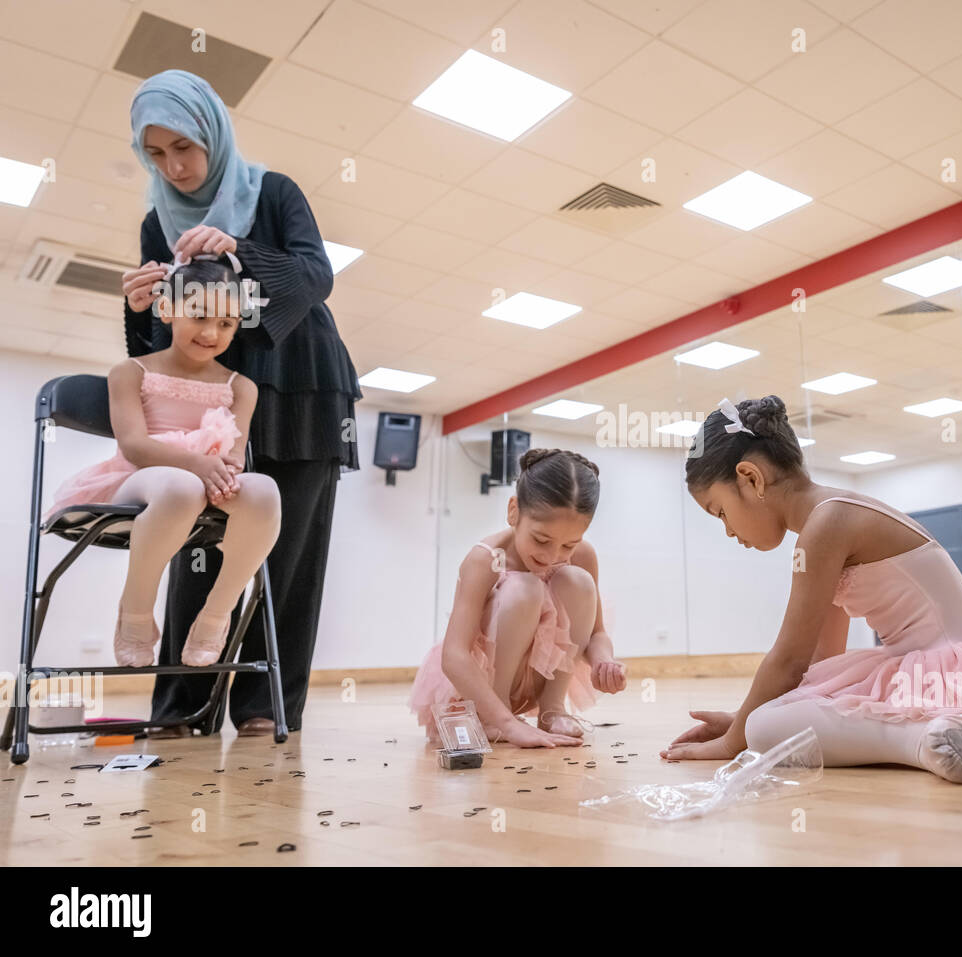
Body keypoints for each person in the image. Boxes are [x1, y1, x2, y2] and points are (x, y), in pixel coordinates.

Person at [119, 69, 362, 736]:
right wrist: (140, 304)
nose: (175, 166)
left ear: (213, 135)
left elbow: (317, 276)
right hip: (215, 399)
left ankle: (265, 709)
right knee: (197, 546)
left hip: (307, 388)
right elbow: (159, 347)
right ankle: (184, 709)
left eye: (186, 147)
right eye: (157, 153)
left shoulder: (275, 193)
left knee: (288, 559)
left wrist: (241, 251)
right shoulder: (155, 223)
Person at [663, 396, 962, 784]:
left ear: (751, 478)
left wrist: (737, 739)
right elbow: (819, 663)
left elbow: (788, 660)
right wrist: (742, 717)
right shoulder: (829, 516)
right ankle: (946, 727)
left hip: (946, 671)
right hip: (948, 670)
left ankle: (927, 738)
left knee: (765, 729)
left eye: (720, 512)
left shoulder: (827, 524)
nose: (729, 531)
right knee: (766, 719)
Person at [49, 255, 280, 669]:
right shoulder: (130, 371)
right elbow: (135, 446)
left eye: (226, 323)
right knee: (180, 485)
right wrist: (198, 465)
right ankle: (135, 612)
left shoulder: (241, 387)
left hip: (206, 483)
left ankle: (215, 614)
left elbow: (232, 456)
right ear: (169, 309)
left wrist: (222, 472)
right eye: (200, 316)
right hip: (138, 478)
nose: (212, 332)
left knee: (264, 490)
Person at [410, 449, 627, 748]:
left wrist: (604, 661)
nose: (553, 556)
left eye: (569, 544)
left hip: (535, 681)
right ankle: (493, 718)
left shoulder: (583, 556)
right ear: (514, 511)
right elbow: (454, 655)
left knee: (578, 580)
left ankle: (552, 710)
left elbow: (596, 633)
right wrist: (507, 724)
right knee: (525, 588)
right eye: (541, 540)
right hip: (480, 690)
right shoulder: (485, 559)